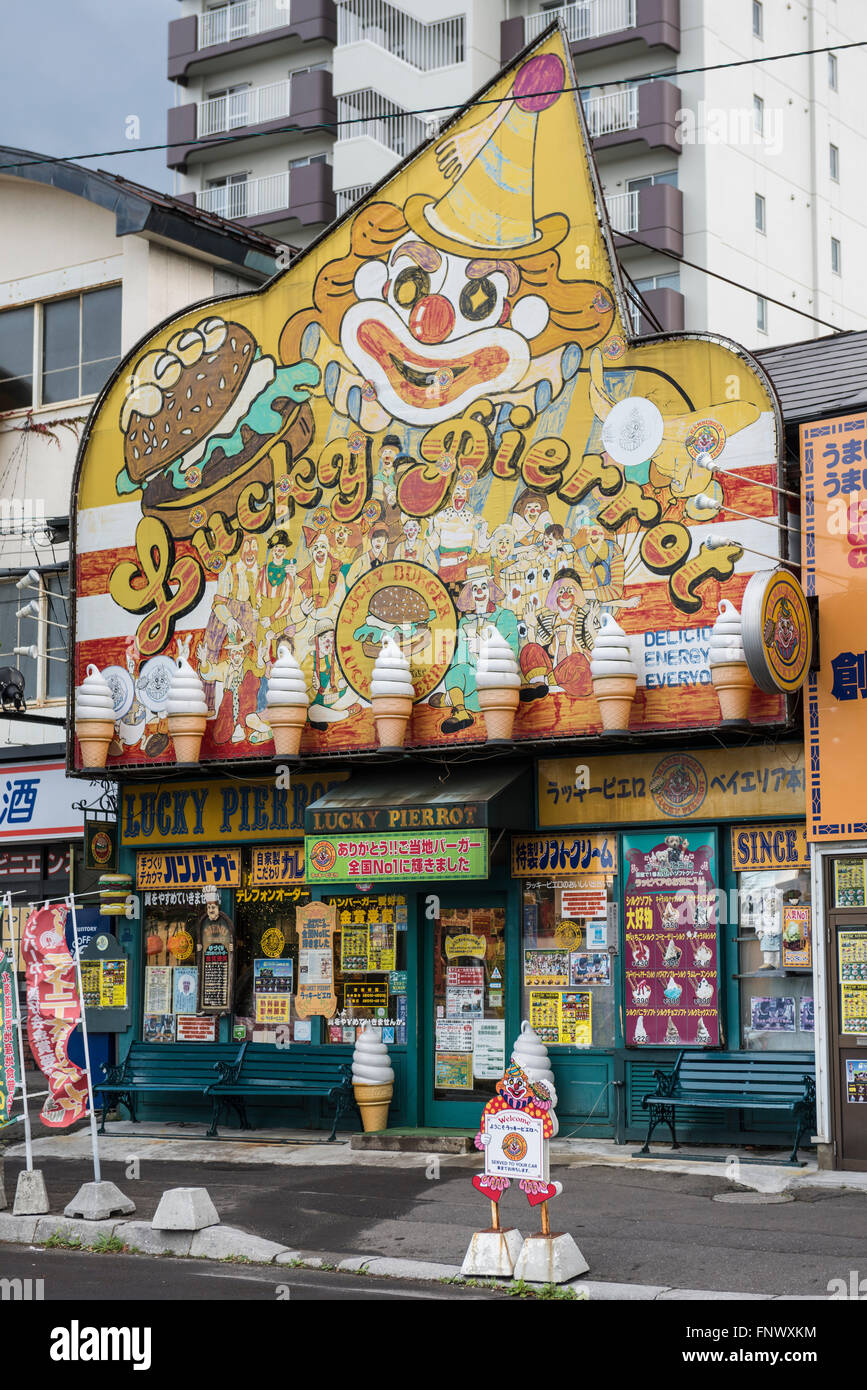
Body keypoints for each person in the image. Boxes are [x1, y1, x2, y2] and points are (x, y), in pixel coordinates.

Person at [428, 565, 520, 734]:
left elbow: (511, 655)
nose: (480, 592)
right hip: (475, 688)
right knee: (456, 672)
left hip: (498, 686)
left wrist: (483, 648)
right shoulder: (464, 623)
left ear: (490, 589)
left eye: (484, 587)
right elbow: (460, 662)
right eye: (475, 588)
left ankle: (451, 699)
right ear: (469, 593)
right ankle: (461, 712)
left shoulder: (506, 617)